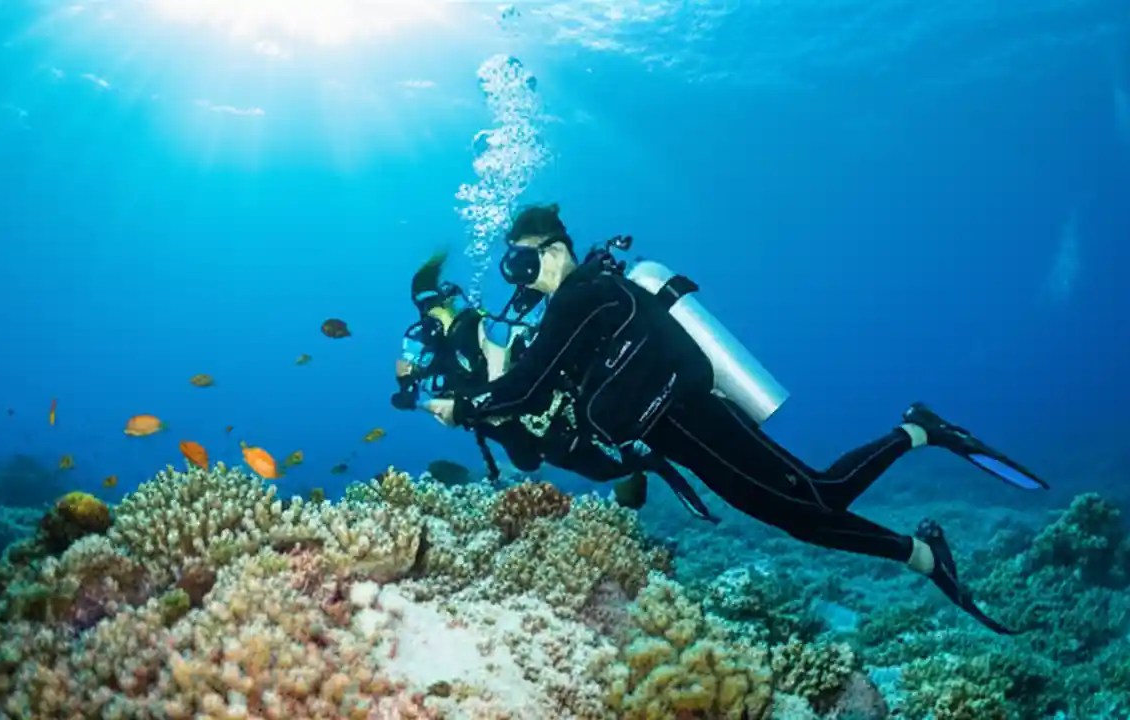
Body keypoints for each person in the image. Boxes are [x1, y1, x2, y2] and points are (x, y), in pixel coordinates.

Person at [428, 204, 1050, 634]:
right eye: (513, 267)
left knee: (816, 499)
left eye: (524, 262)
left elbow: (528, 385)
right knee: (803, 515)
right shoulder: (575, 305)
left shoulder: (586, 295)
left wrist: (464, 407)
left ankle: (921, 434)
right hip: (681, 433)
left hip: (696, 418)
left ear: (557, 250)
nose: (520, 277)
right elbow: (542, 390)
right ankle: (922, 544)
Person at [393, 250, 719, 522]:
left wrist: (464, 404)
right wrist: (411, 387)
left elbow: (504, 373)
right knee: (551, 461)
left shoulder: (482, 328)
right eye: (432, 310)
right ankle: (651, 458)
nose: (438, 316)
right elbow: (424, 389)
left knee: (608, 458)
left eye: (441, 306)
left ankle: (658, 452)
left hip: (548, 415)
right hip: (527, 431)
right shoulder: (440, 350)